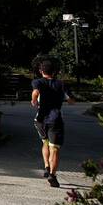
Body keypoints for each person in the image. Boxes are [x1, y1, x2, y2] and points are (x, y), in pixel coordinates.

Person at [31, 57, 77, 188]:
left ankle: (46, 166)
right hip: (55, 119)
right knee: (54, 148)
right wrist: (69, 99)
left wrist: (34, 100)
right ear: (54, 72)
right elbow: (72, 101)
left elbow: (35, 92)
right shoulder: (62, 84)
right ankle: (52, 175)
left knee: (45, 142)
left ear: (41, 71)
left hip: (40, 119)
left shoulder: (37, 82)